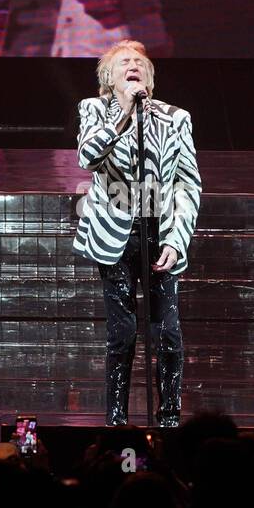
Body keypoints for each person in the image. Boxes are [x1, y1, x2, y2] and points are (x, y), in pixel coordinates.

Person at [74, 40, 201, 427]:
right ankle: (116, 421)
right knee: (123, 332)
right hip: (115, 232)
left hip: (159, 232)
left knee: (168, 332)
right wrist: (124, 115)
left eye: (139, 62)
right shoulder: (94, 109)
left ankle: (170, 418)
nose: (133, 65)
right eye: (124, 62)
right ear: (109, 78)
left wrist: (177, 240)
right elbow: (87, 157)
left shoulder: (176, 118)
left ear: (149, 76)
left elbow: (187, 183)